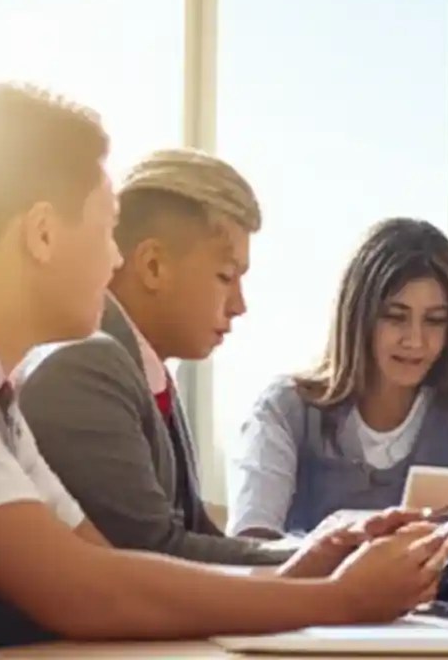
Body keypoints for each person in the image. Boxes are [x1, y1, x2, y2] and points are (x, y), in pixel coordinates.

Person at [0, 82, 448, 647]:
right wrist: (340, 597)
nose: (117, 258)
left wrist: (308, 566)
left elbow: (102, 566)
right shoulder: (85, 369)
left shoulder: (5, 414)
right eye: (107, 230)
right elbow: (86, 591)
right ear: (42, 233)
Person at [15, 147, 292, 566]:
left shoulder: (145, 369)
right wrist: (326, 566)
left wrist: (329, 549)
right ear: (154, 266)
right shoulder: (83, 368)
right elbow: (152, 553)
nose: (239, 305)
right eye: (225, 277)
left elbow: (195, 532)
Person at [228, 218, 448, 538]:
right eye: (395, 317)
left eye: (435, 321)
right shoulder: (286, 409)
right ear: (357, 315)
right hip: (315, 589)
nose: (415, 340)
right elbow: (251, 542)